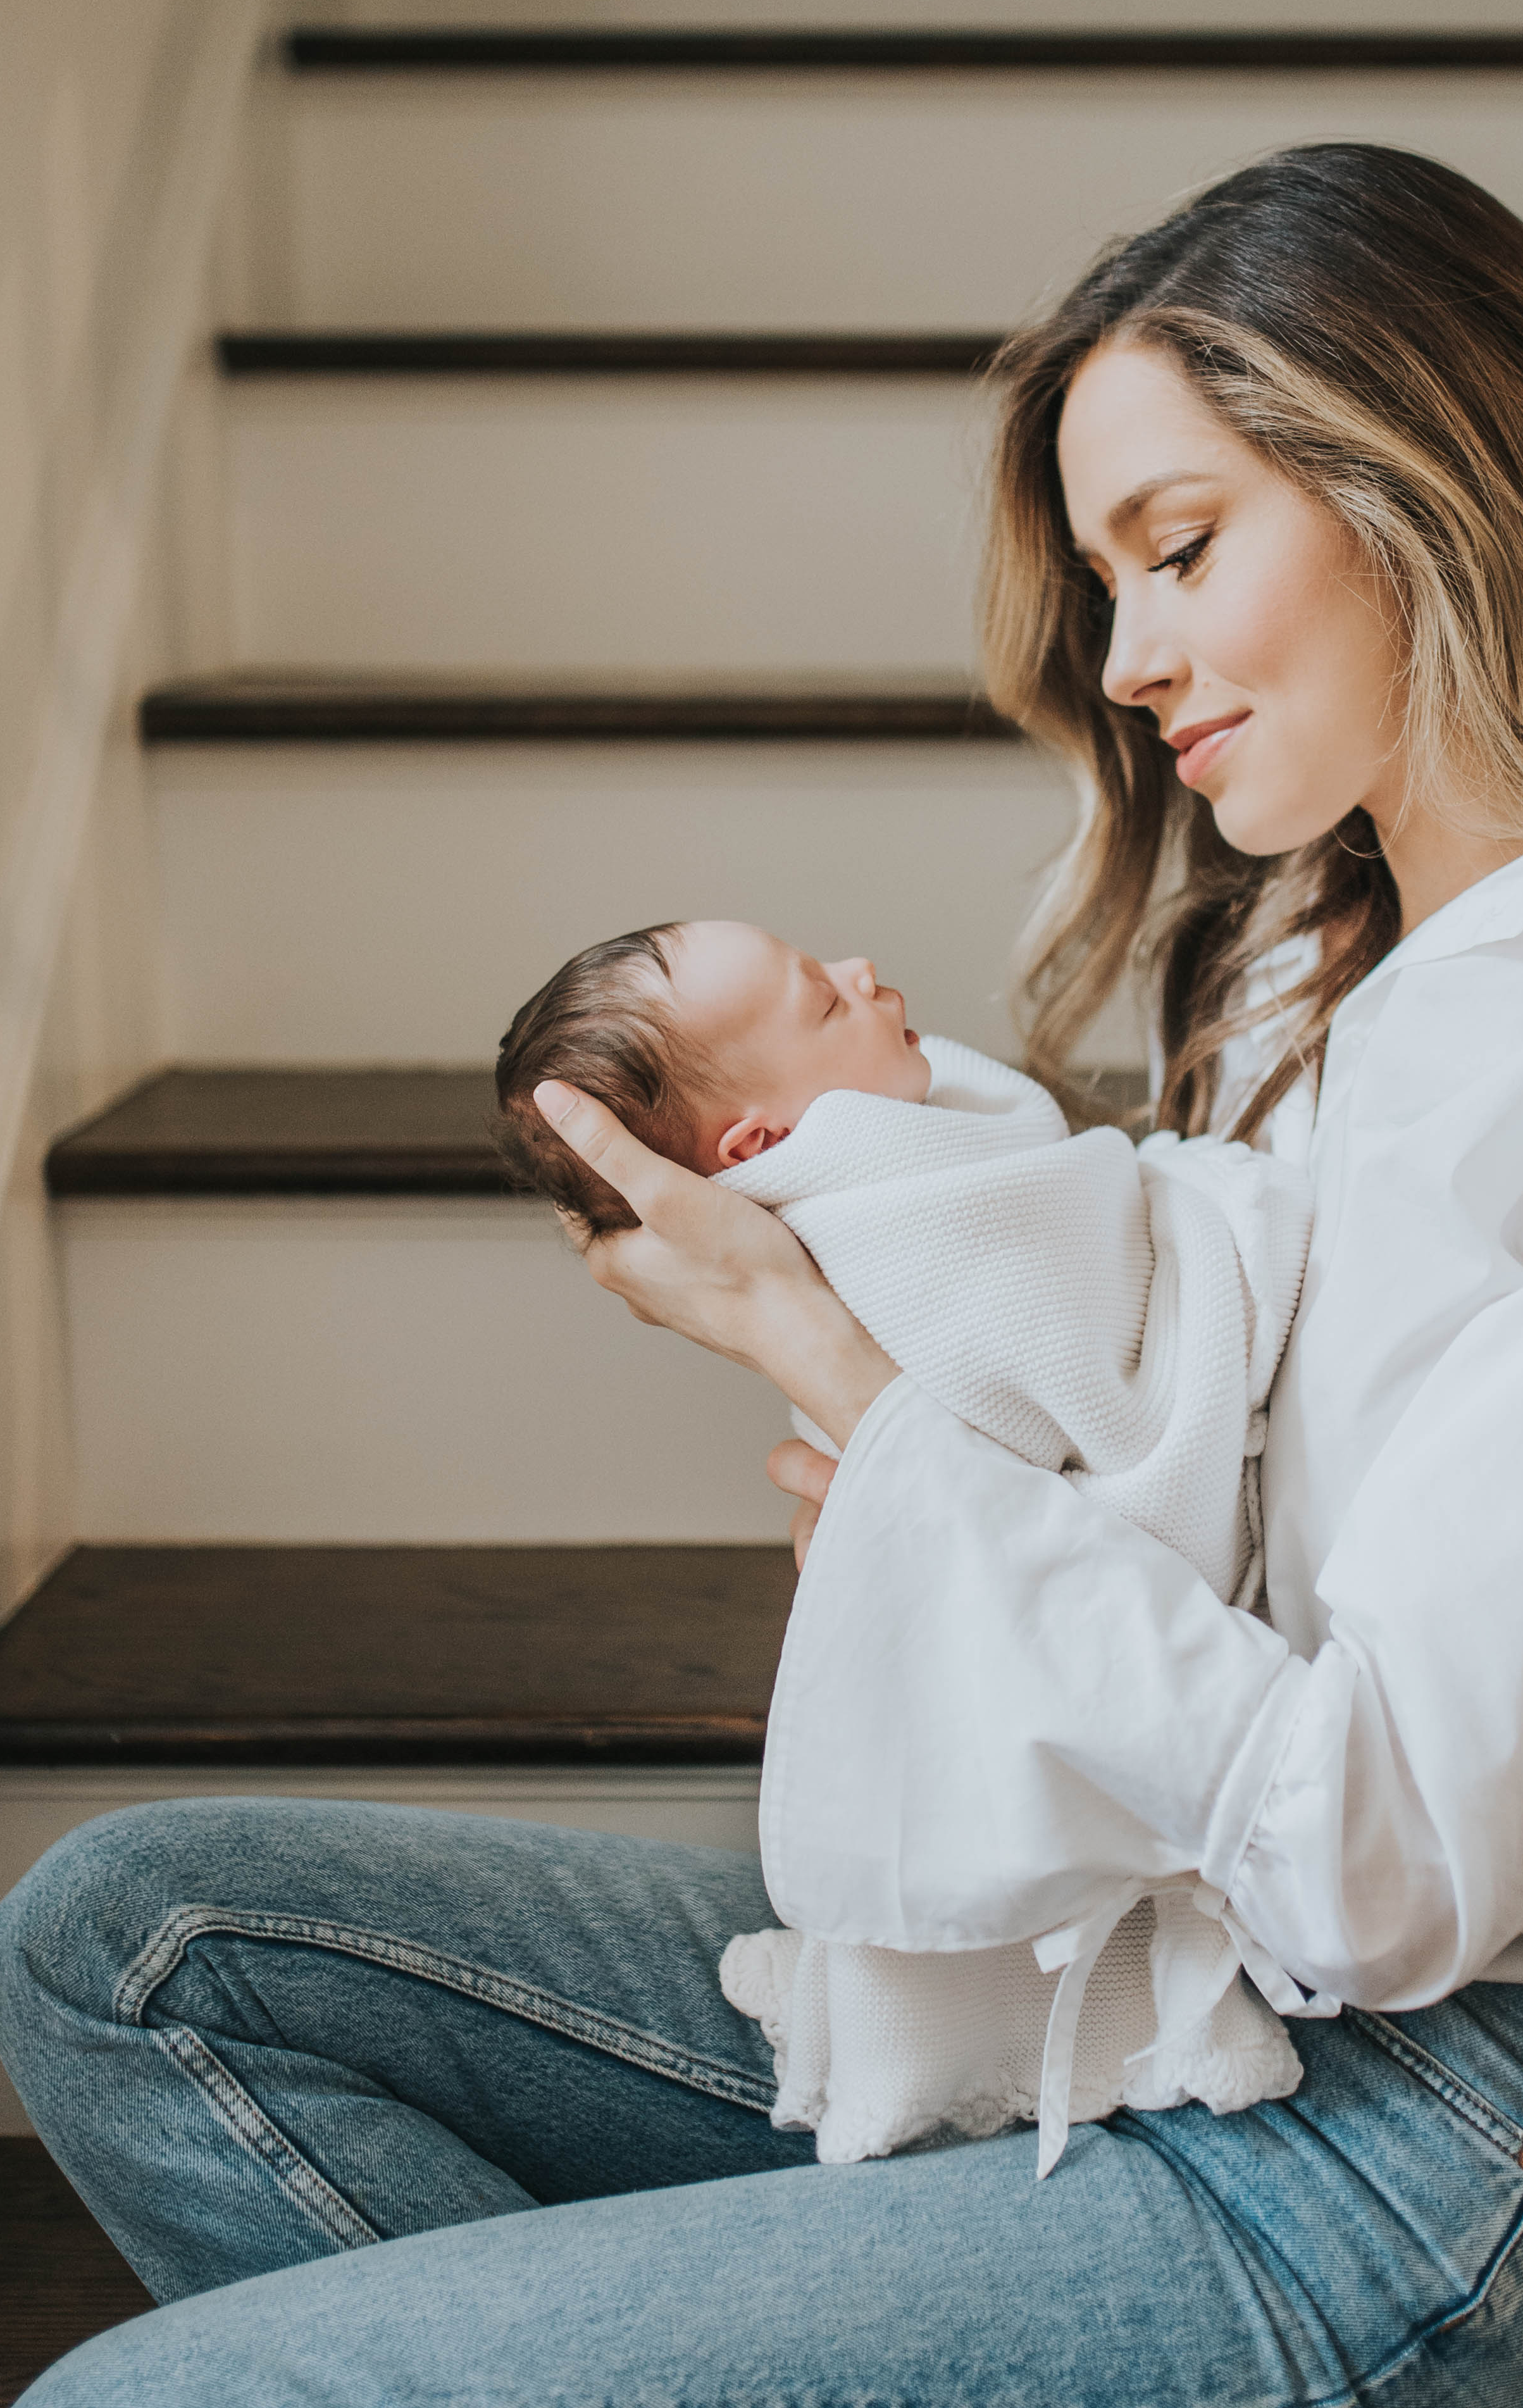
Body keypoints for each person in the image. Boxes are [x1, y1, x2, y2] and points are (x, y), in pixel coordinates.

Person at [0, 142, 1523, 2408]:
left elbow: (1374, 1856)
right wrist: (955, 1490)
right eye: (1108, 583)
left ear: (1446, 470)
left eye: (1183, 548)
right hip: (1147, 2002)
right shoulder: (1328, 975)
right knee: (130, 1941)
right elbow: (1212, 1576)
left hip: (1422, 2186)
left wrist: (868, 1416)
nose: (1137, 660)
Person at [493, 918, 1314, 2168]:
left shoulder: (930, 1179)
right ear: (761, 1148)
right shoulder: (900, 1232)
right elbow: (1069, 1381)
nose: (864, 971)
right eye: (821, 999)